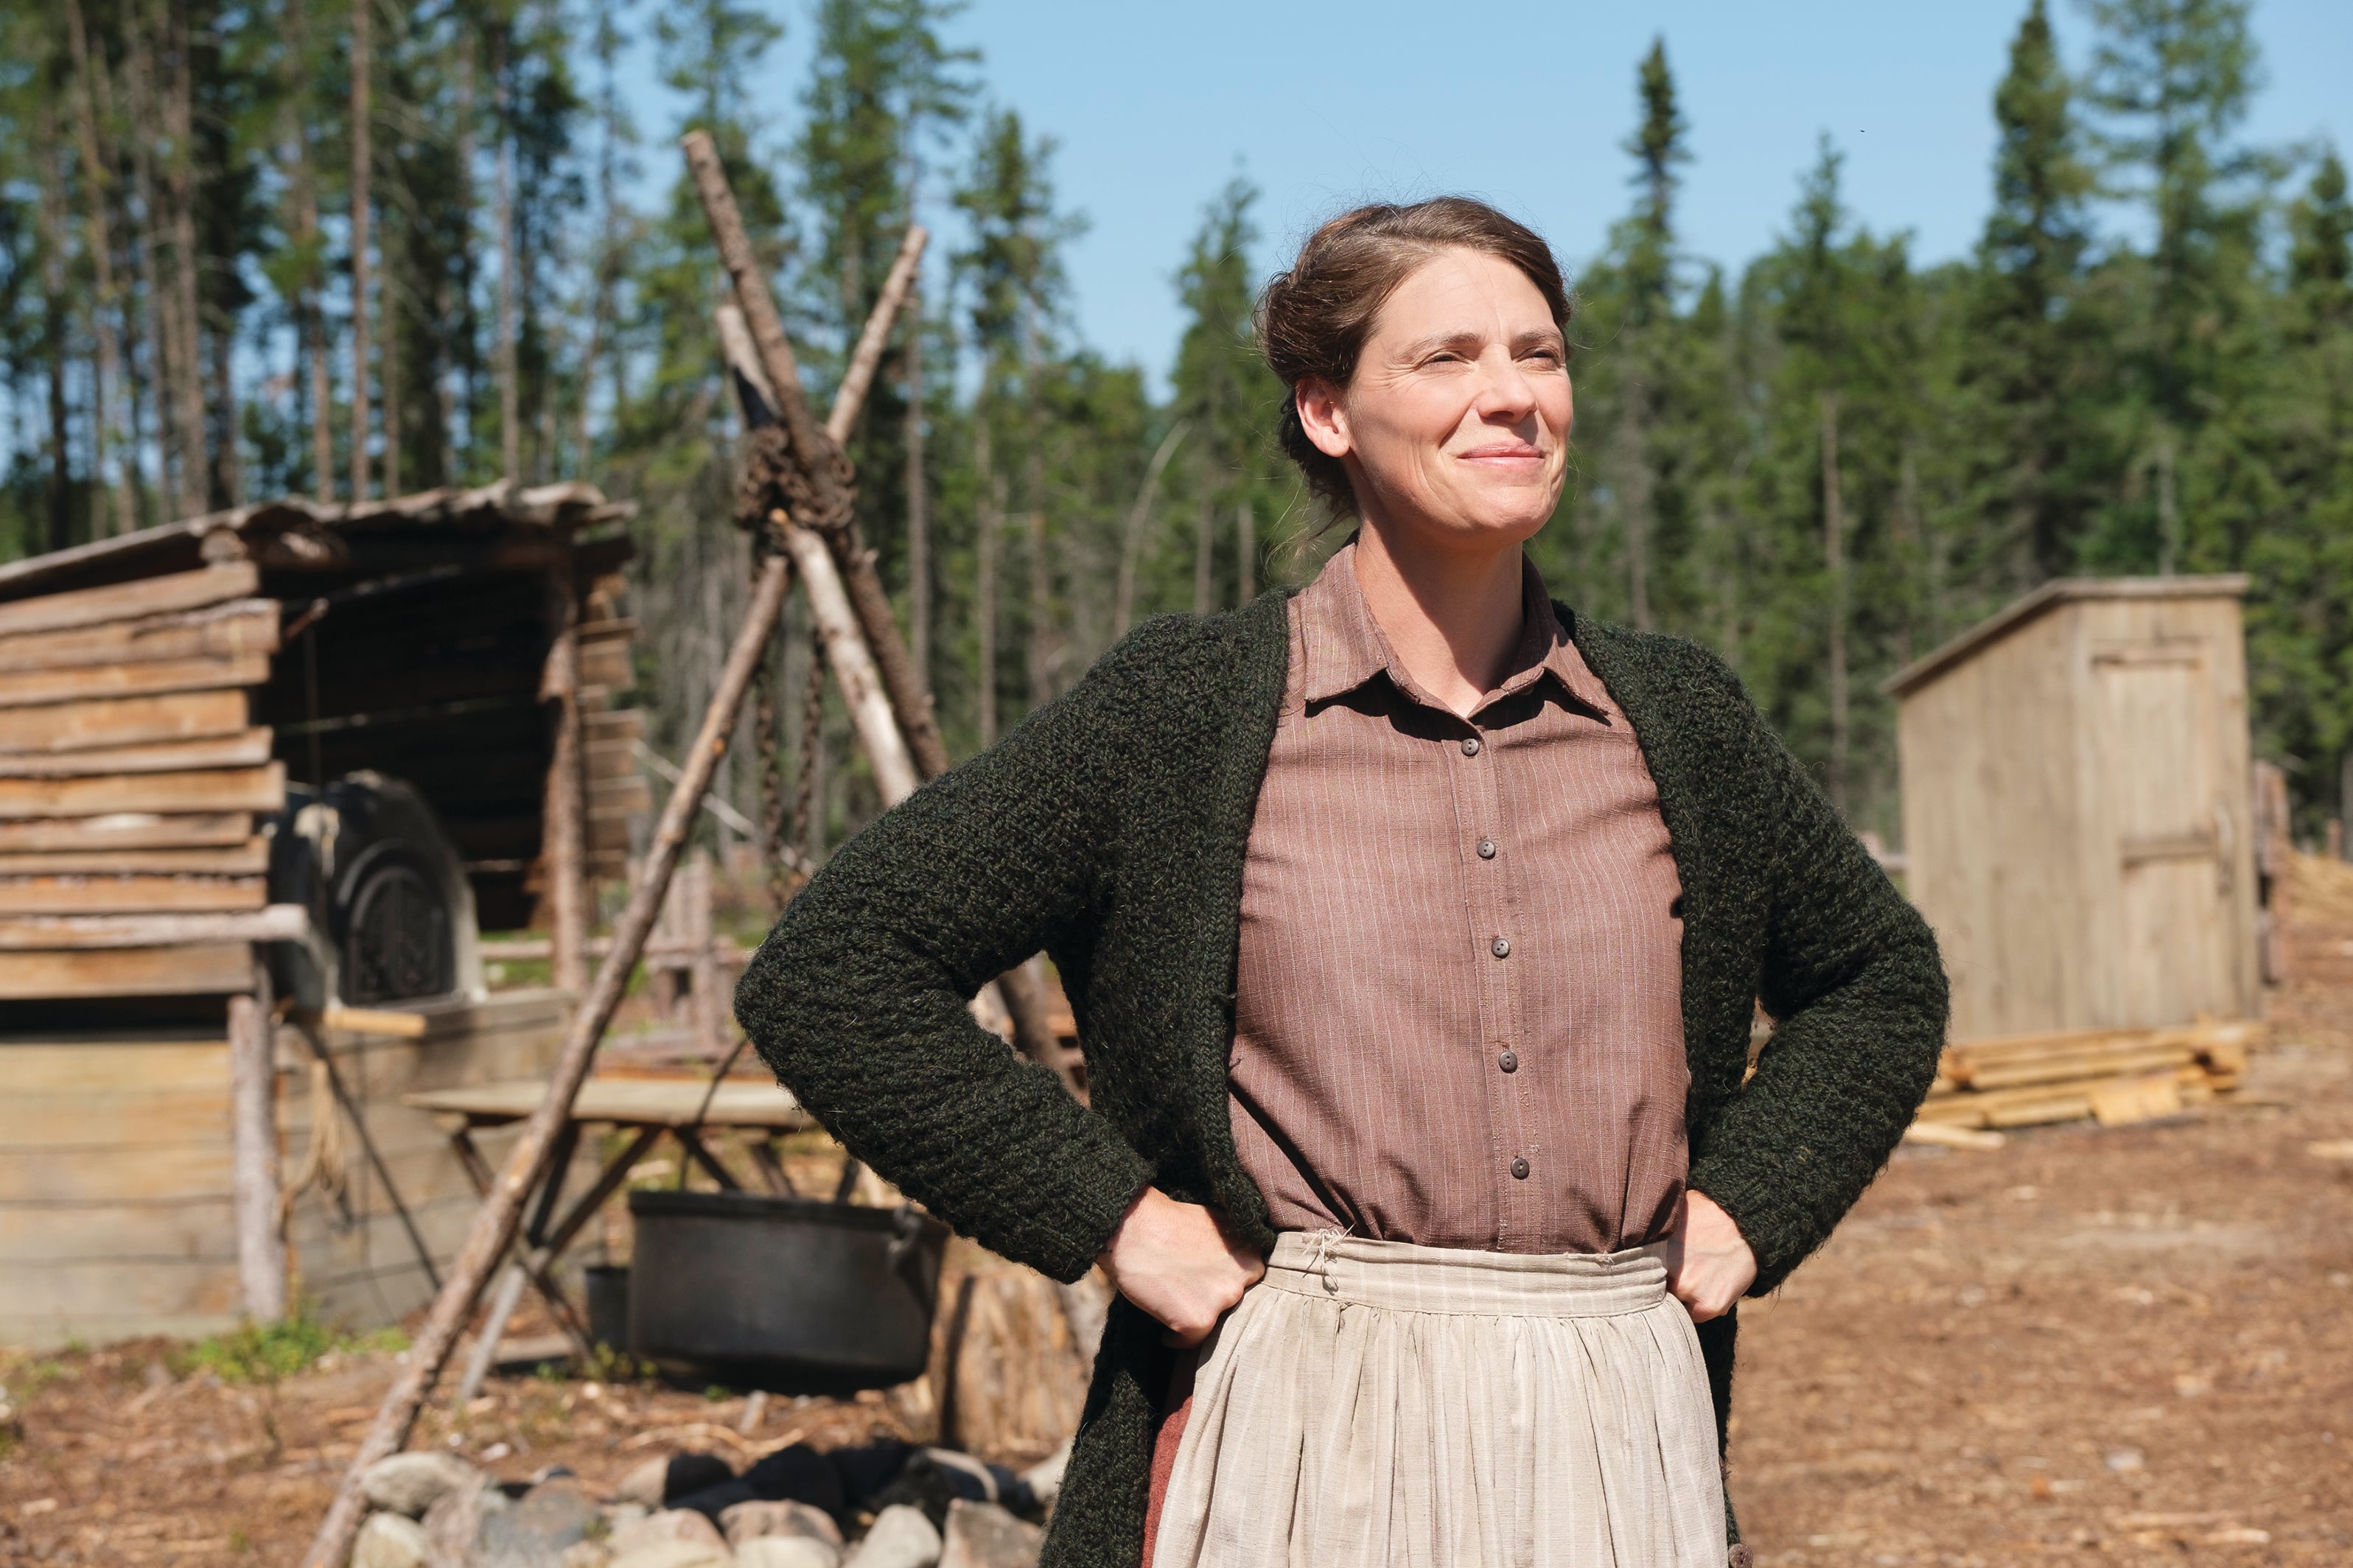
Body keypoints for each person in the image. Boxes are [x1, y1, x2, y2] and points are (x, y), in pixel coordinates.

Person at [736, 197, 1948, 1568]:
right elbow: (834, 969)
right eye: (1447, 358)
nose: (1514, 395)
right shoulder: (1183, 715)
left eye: (1539, 354)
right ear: (1327, 413)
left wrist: (1749, 1208)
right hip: (1294, 1414)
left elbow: (1878, 977)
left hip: (1618, 1415)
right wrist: (1116, 1223)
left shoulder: (1675, 719)